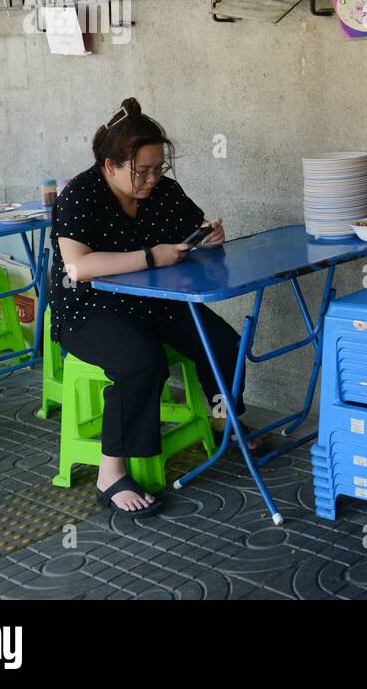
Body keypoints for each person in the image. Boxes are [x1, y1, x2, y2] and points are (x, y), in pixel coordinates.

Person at [51, 98, 259, 516]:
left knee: (222, 342)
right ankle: (110, 473)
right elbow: (79, 265)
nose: (152, 178)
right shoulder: (80, 195)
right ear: (110, 165)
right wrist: (151, 257)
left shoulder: (162, 189)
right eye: (141, 170)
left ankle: (223, 422)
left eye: (158, 167)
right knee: (141, 362)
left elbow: (188, 232)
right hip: (88, 309)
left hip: (153, 300)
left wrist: (207, 235)